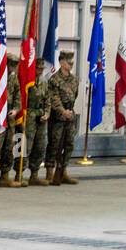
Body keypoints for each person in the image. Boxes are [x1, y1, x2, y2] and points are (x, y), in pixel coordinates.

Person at [0, 55, 24, 188]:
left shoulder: (13, 78)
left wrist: (16, 109)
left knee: (9, 148)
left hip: (10, 118)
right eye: (11, 64)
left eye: (15, 65)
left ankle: (4, 176)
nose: (13, 67)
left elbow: (17, 96)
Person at [46, 51, 79, 185]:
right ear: (61, 62)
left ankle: (63, 171)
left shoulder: (74, 80)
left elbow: (74, 96)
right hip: (57, 117)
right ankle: (50, 172)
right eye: (67, 61)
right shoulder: (54, 79)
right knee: (54, 144)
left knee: (69, 144)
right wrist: (62, 111)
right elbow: (53, 97)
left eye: (71, 61)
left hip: (70, 115)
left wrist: (69, 112)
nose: (70, 64)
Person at [24, 60, 51, 185]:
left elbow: (47, 100)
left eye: (41, 69)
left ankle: (34, 174)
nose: (40, 71)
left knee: (40, 146)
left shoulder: (44, 82)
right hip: (29, 117)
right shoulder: (26, 81)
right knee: (26, 146)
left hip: (41, 118)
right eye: (38, 68)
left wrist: (46, 113)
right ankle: (19, 173)